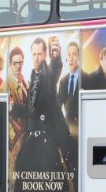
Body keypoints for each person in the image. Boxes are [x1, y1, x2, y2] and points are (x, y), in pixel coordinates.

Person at [17, 37, 68, 184]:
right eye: (34, 54)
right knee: (22, 185)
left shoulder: (48, 74)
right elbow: (31, 108)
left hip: (46, 142)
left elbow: (55, 70)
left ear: (45, 54)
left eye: (40, 54)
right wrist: (15, 108)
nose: (37, 58)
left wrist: (56, 57)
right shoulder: (33, 74)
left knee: (52, 189)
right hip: (32, 139)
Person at [8, 46, 29, 158]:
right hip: (17, 143)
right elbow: (7, 117)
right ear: (10, 64)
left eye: (20, 63)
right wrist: (13, 144)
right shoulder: (6, 86)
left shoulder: (24, 82)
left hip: (27, 138)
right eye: (15, 63)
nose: (18, 66)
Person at [57, 41, 81, 133]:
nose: (71, 58)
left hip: (82, 128)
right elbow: (58, 106)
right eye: (69, 55)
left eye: (74, 54)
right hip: (67, 130)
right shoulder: (63, 81)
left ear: (79, 57)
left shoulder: (87, 78)